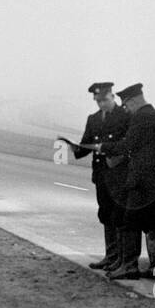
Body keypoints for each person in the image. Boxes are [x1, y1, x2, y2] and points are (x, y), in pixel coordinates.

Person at [57, 82, 131, 270]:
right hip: (101, 176)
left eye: (105, 100)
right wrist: (73, 147)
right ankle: (111, 255)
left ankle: (122, 259)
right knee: (106, 214)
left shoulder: (125, 116)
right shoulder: (93, 119)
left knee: (119, 216)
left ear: (112, 96)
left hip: (119, 174)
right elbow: (85, 145)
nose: (102, 104)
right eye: (98, 101)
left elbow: (130, 144)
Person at [101, 82, 155, 280]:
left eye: (127, 105)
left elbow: (128, 144)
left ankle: (129, 266)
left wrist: (105, 147)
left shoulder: (141, 117)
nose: (127, 109)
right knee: (153, 224)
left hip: (140, 180)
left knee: (129, 222)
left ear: (132, 101)